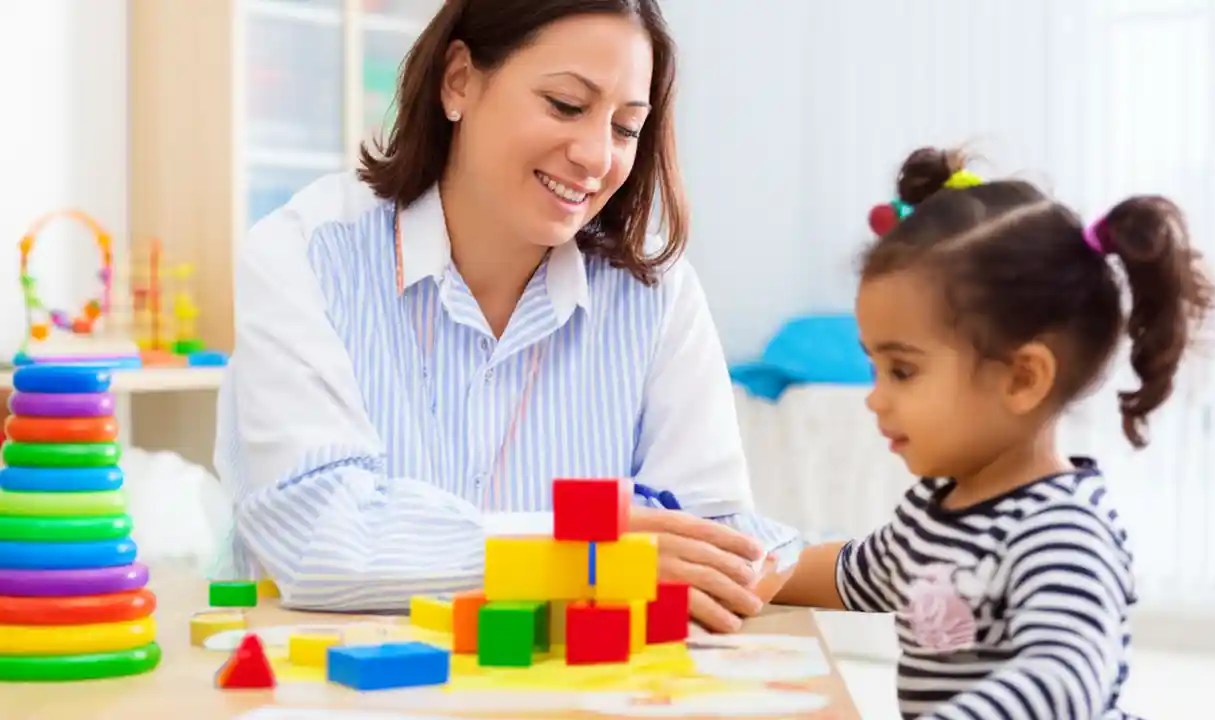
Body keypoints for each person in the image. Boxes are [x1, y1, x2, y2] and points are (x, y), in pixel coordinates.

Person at [212, 0, 801, 633]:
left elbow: (709, 539)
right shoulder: (307, 255)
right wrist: (582, 554)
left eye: (626, 128)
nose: (597, 157)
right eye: (567, 105)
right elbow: (315, 534)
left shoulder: (655, 297)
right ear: (459, 80)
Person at [773, 147, 1215, 718]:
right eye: (875, 369)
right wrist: (739, 572)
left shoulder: (1061, 530)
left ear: (1022, 378)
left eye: (903, 371)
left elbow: (1061, 680)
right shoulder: (930, 516)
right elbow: (848, 573)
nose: (875, 397)